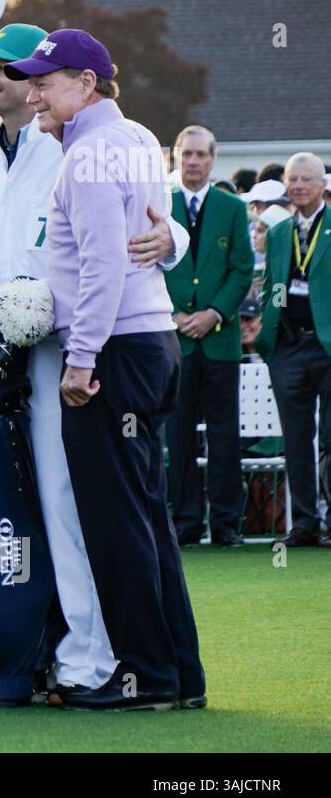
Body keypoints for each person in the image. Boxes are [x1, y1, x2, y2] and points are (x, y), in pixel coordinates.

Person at [0, 23, 186, 696]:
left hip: (94, 345)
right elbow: (147, 222)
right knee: (119, 512)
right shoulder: (120, 137)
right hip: (91, 344)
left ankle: (126, 665)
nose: (29, 90)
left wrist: (82, 358)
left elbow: (110, 255)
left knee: (102, 514)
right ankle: (159, 666)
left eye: (39, 78)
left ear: (83, 84)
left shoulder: (80, 150)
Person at [164, 126, 255, 548]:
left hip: (220, 341)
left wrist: (213, 313)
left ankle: (226, 523)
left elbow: (242, 270)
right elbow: (144, 265)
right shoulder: (157, 206)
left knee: (224, 435)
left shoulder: (232, 207)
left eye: (202, 154)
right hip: (175, 339)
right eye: (187, 154)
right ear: (175, 158)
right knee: (178, 434)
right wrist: (175, 314)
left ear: (213, 159)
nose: (194, 162)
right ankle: (184, 522)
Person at [254, 152, 331, 548]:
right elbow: (274, 283)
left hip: (327, 346)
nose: (298, 186)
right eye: (293, 180)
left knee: (330, 437)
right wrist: (270, 332)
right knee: (296, 439)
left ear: (323, 184)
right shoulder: (280, 232)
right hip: (289, 345)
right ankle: (304, 523)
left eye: (306, 179)